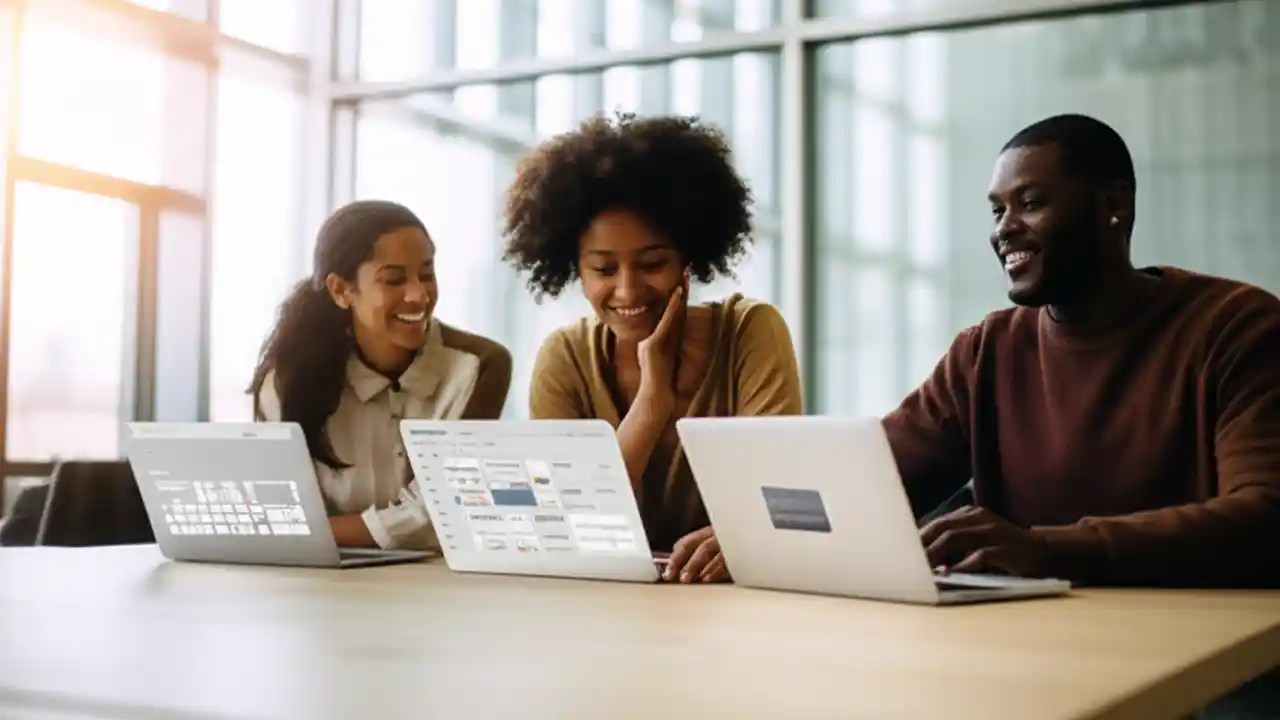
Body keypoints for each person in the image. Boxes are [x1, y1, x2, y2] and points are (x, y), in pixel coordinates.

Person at [884, 114, 1280, 587]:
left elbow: (1264, 517)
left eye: (1029, 203)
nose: (1004, 229)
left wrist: (1045, 551)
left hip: (1207, 639)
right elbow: (874, 481)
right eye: (997, 211)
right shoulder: (986, 351)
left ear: (1115, 204)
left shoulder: (1239, 328)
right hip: (1026, 636)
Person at [503, 113, 803, 584]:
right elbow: (572, 523)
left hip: (738, 601)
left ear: (689, 259)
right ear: (576, 271)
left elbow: (771, 499)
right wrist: (652, 401)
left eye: (653, 263)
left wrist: (742, 535)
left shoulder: (750, 332)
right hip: (606, 605)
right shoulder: (565, 358)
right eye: (603, 270)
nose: (627, 291)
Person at [250, 200, 512, 551]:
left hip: (439, 586)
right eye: (394, 280)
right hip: (318, 586)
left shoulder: (479, 365)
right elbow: (277, 512)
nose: (419, 295)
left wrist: (314, 531)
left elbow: (448, 513)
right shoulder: (287, 382)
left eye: (427, 274)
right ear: (342, 290)